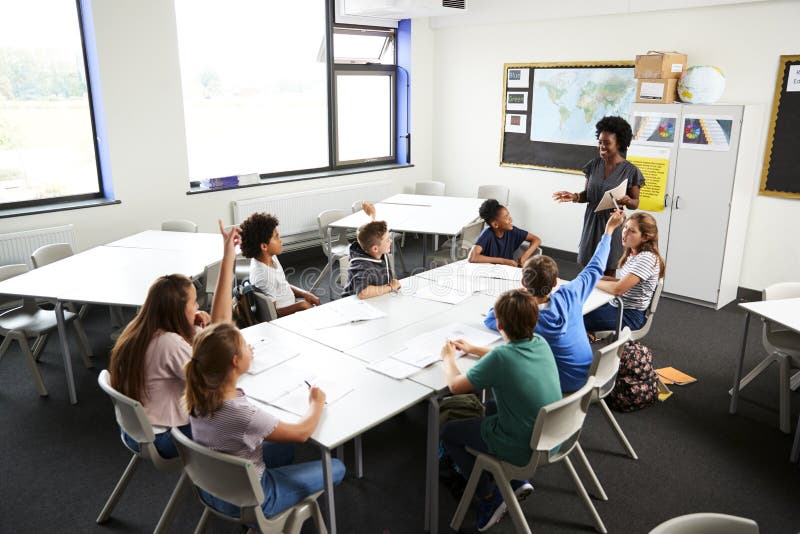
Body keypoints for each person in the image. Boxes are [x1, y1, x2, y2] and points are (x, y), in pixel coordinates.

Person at [185, 322, 345, 523]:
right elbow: (302, 433)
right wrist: (316, 403)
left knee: (285, 448)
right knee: (337, 467)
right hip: (252, 500)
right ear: (235, 361)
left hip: (210, 487)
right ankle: (263, 523)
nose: (250, 348)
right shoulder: (242, 414)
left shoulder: (198, 395)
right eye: (244, 345)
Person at [108, 220, 238, 458]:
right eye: (194, 303)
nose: (198, 307)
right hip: (162, 438)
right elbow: (214, 383)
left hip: (135, 429)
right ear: (177, 311)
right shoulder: (169, 343)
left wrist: (197, 329)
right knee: (237, 425)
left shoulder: (140, 328)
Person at [440, 289, 561, 531]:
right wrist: (474, 349)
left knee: (449, 433)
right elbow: (505, 354)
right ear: (534, 320)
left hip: (524, 449)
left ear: (498, 323)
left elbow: (455, 386)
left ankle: (488, 495)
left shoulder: (502, 359)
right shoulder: (540, 342)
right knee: (493, 406)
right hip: (553, 435)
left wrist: (448, 358)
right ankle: (514, 482)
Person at [483, 210, 626, 393]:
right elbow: (596, 266)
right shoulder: (571, 294)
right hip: (589, 373)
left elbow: (489, 320)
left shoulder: (523, 316)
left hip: (561, 382)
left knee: (509, 364)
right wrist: (609, 230)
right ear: (555, 282)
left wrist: (512, 297)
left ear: (523, 283)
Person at [553, 116, 645, 275]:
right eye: (600, 142)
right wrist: (574, 196)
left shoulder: (630, 171)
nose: (602, 146)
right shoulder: (593, 165)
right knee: (586, 268)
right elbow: (588, 195)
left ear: (619, 143)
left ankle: (605, 301)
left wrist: (628, 200)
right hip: (591, 222)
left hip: (613, 222)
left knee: (608, 270)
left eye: (607, 143)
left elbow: (635, 203)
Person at [584, 212, 665, 333]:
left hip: (629, 315)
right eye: (625, 227)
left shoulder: (646, 258)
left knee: (575, 318)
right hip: (617, 305)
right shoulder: (634, 253)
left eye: (632, 231)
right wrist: (601, 278)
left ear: (645, 237)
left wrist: (591, 280)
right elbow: (624, 282)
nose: (624, 233)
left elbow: (618, 289)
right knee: (578, 306)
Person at [239, 212, 320, 317]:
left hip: (292, 304)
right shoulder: (264, 276)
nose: (280, 240)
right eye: (276, 237)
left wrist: (304, 294)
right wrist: (301, 306)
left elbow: (282, 285)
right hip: (286, 318)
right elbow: (272, 314)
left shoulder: (269, 256)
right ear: (264, 246)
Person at [342, 202, 401, 299]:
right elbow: (363, 293)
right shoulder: (361, 266)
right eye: (387, 240)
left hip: (377, 298)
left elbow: (373, 232)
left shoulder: (373, 247)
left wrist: (372, 215)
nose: (390, 240)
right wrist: (390, 287)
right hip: (356, 305)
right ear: (375, 248)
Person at [469, 199, 541, 266]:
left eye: (509, 215)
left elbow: (536, 240)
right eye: (506, 217)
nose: (510, 219)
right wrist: (503, 261)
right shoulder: (487, 233)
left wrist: (524, 257)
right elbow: (472, 257)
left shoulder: (512, 231)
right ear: (495, 224)